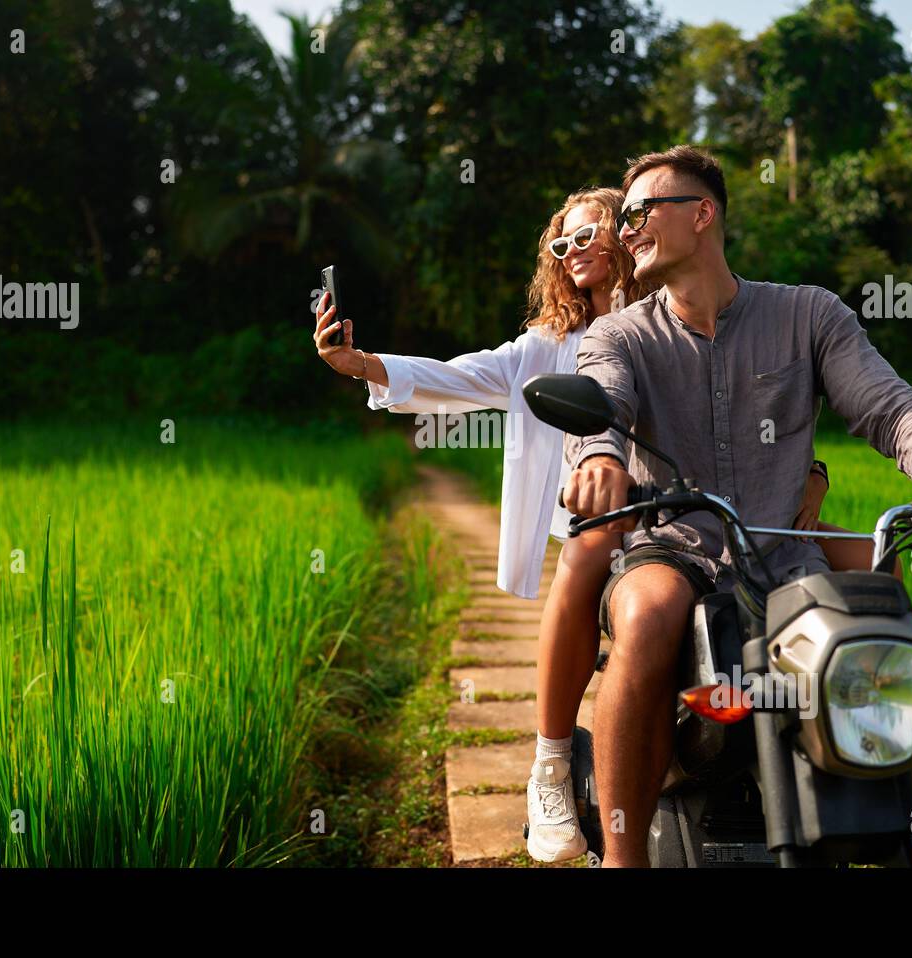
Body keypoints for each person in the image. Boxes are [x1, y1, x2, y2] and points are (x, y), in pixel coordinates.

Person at [313, 187, 868, 864]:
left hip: (711, 514)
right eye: (560, 244)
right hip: (620, 521)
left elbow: (751, 409)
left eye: (586, 236)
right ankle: (550, 761)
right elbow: (461, 376)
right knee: (591, 546)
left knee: (868, 555)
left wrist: (814, 470)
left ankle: (865, 726)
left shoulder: (679, 312)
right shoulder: (549, 347)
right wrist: (364, 365)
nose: (572, 252)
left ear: (624, 235)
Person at [564, 145, 912, 868]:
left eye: (637, 213)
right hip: (676, 549)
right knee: (649, 612)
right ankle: (624, 860)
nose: (623, 231)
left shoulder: (808, 314)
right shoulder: (619, 334)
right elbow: (601, 402)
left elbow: (890, 408)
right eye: (621, 219)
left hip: (790, 565)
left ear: (702, 213)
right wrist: (598, 457)